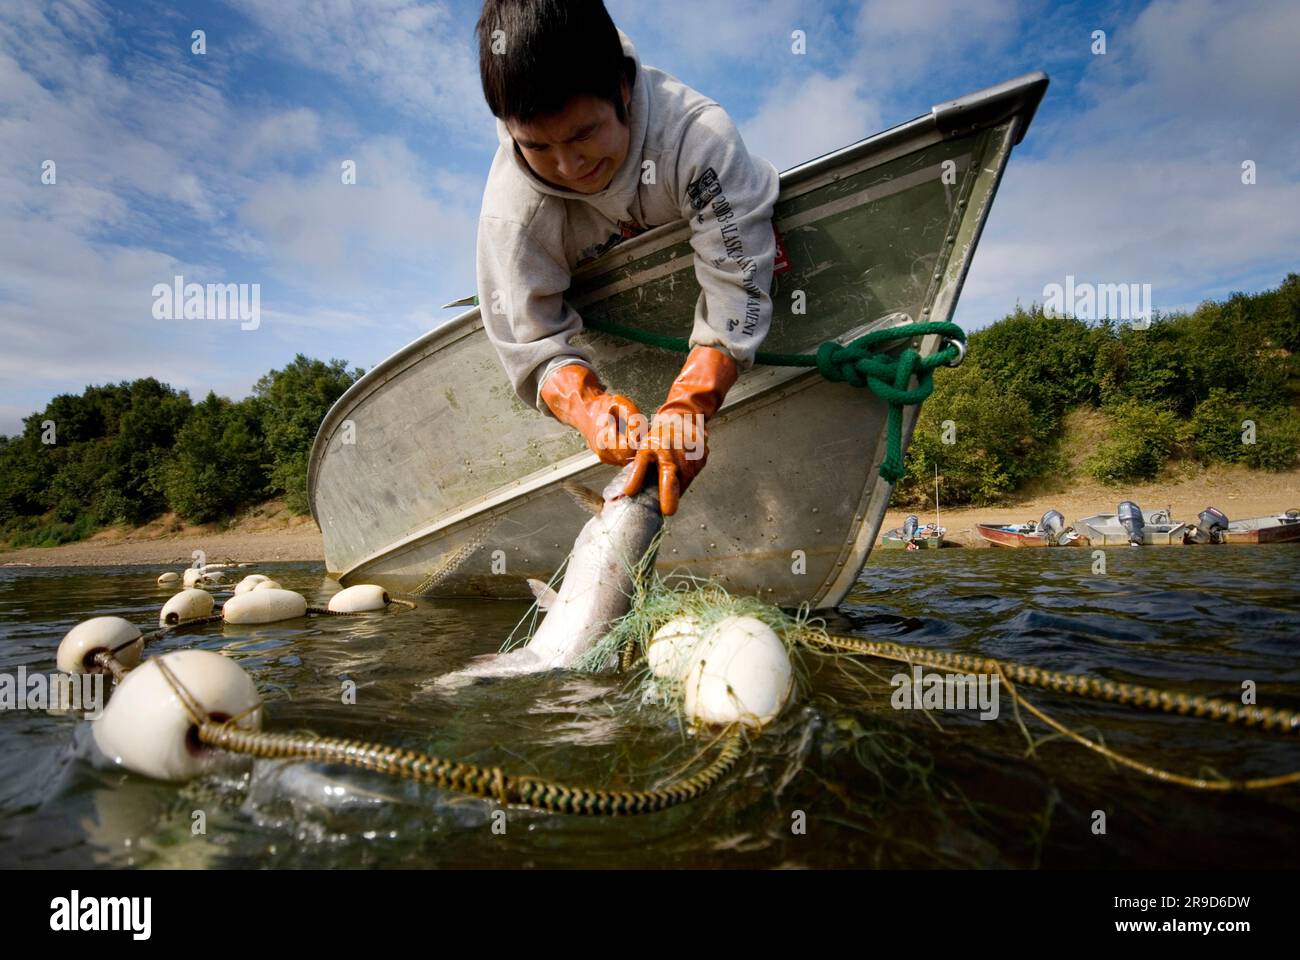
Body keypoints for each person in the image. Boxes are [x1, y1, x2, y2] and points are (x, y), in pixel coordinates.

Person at [474, 0, 780, 515]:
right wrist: (587, 407)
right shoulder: (511, 215)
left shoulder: (698, 138)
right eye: (537, 147)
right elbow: (528, 339)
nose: (568, 166)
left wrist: (689, 405)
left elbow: (737, 283)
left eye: (583, 134)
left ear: (622, 86)